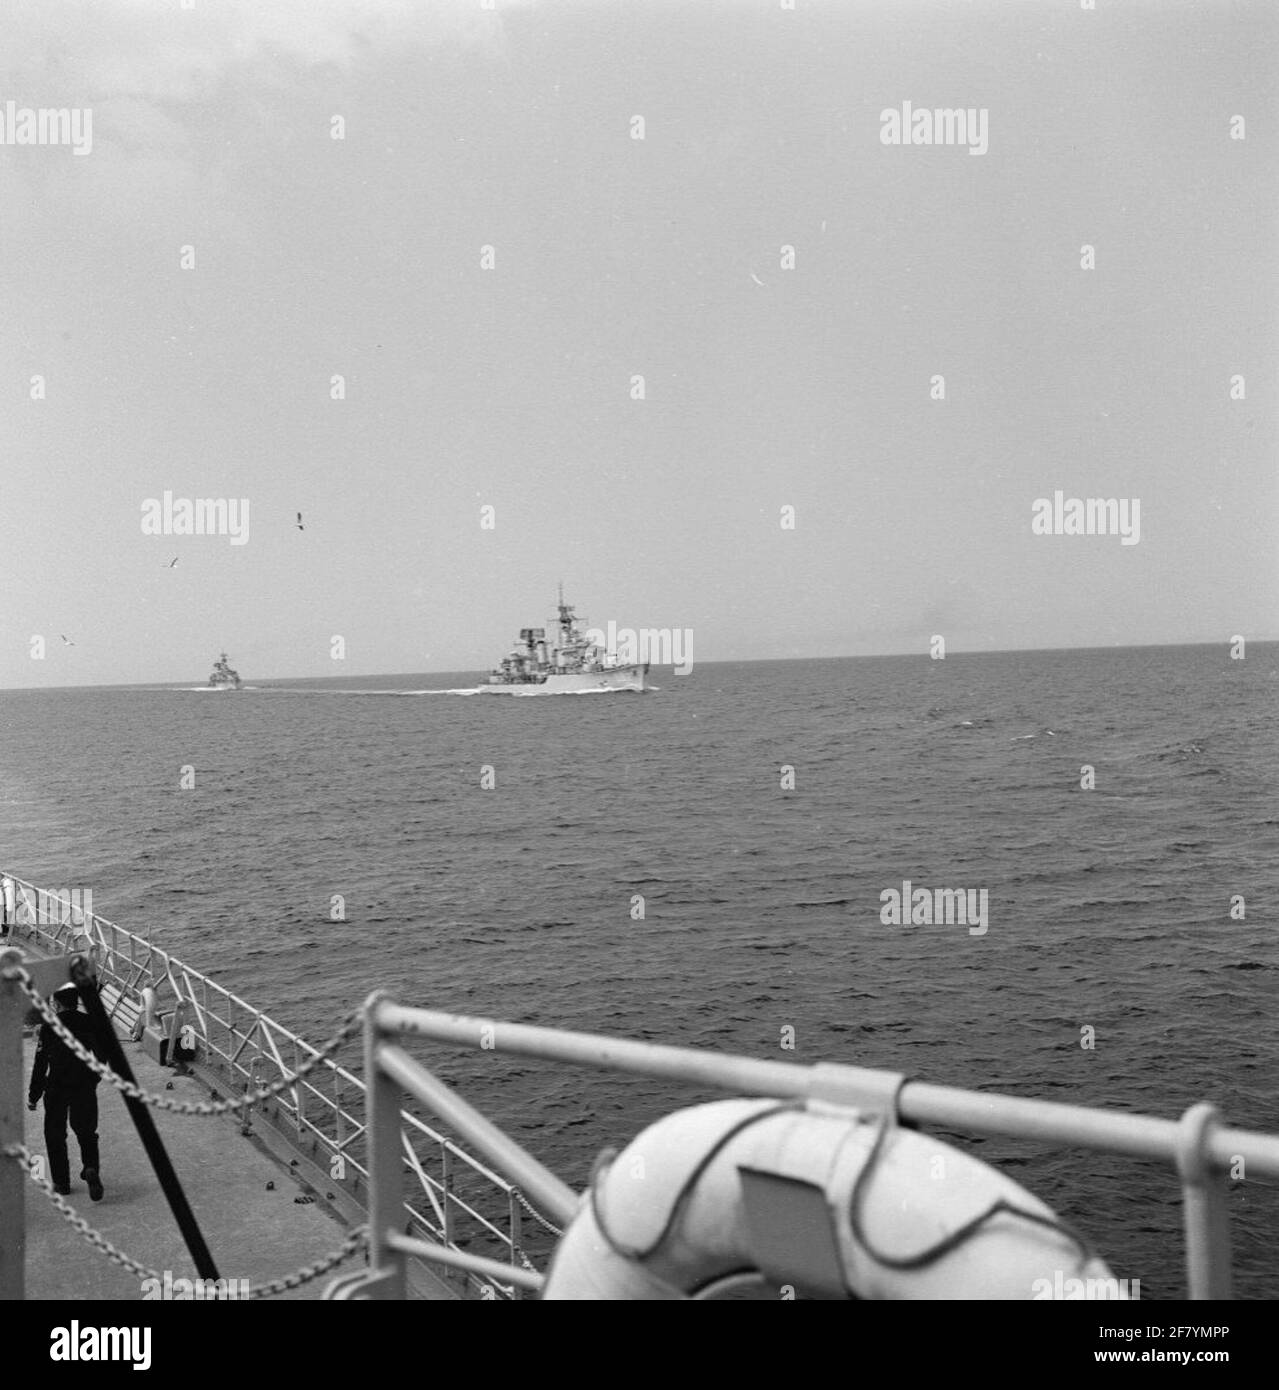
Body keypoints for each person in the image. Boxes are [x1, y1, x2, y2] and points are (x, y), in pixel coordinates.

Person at [27, 983, 106, 1199]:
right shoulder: (89, 1022)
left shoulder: (49, 1027)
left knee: (55, 1135)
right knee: (87, 1132)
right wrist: (94, 1077)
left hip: (56, 1087)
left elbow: (40, 1064)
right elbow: (101, 1055)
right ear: (76, 1001)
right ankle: (91, 1168)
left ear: (56, 1003)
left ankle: (62, 1183)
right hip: (84, 1085)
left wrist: (34, 1095)